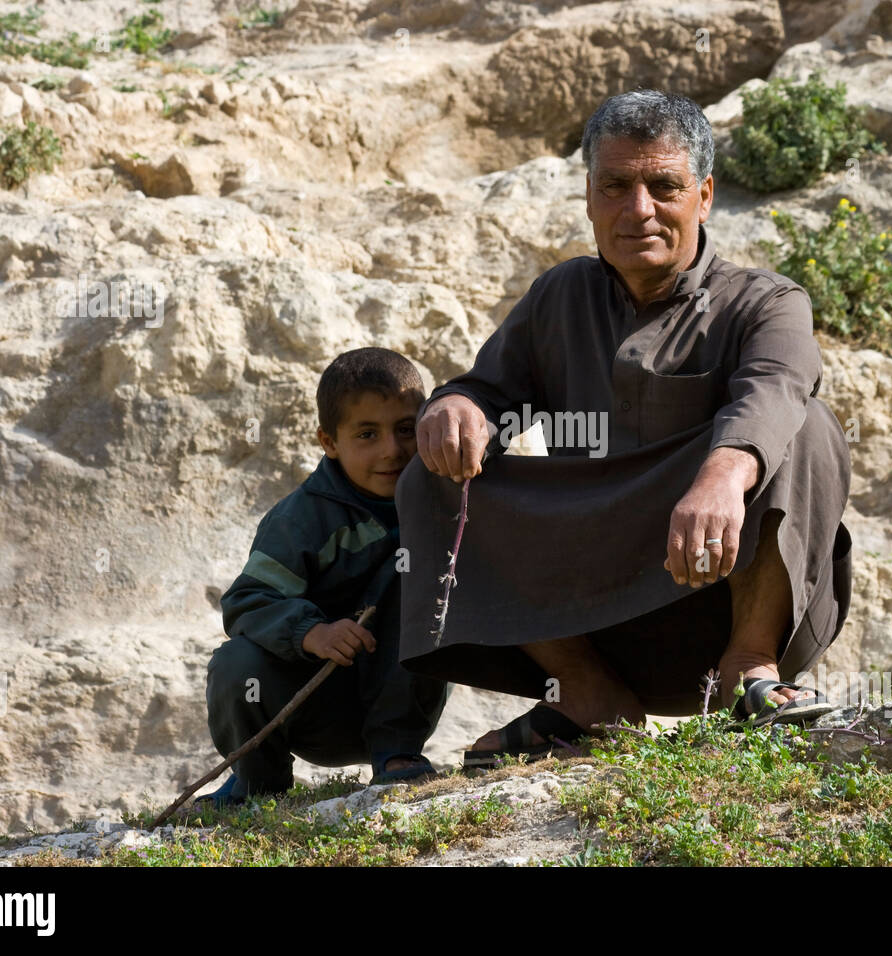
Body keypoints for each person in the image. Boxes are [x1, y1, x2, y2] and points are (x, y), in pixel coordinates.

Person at [397, 90, 853, 766]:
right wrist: (458, 407)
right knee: (430, 471)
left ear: (704, 196)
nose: (638, 208)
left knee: (806, 426)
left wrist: (724, 476)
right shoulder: (560, 297)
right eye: (616, 185)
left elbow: (775, 389)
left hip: (719, 603)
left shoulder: (767, 302)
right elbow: (490, 391)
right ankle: (586, 697)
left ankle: (749, 677)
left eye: (663, 186)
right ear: (589, 196)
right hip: (594, 620)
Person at [201, 348, 448, 804]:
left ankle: (397, 757)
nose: (392, 450)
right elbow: (248, 600)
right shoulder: (301, 520)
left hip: (401, 699)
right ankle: (258, 782)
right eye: (367, 434)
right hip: (311, 704)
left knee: (414, 576)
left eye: (405, 429)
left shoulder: (440, 495)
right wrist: (310, 632)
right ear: (329, 441)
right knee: (235, 665)